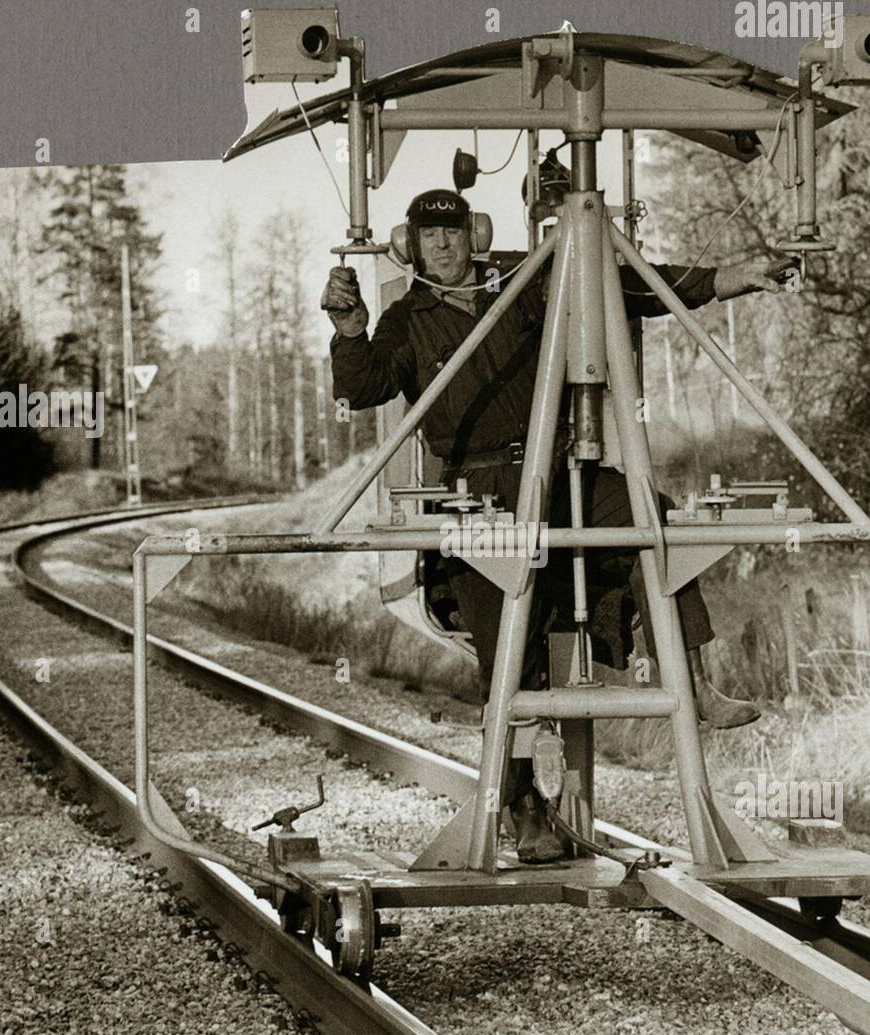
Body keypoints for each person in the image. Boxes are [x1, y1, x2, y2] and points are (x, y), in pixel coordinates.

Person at [322, 187, 786, 861]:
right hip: (478, 493)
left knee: (649, 517)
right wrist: (349, 329)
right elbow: (362, 388)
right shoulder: (406, 320)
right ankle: (525, 812)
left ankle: (691, 683)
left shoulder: (522, 281)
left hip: (559, 473)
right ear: (413, 246)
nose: (443, 246)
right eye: (429, 236)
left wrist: (724, 280)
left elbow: (621, 286)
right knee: (510, 653)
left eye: (453, 232)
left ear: (474, 235)